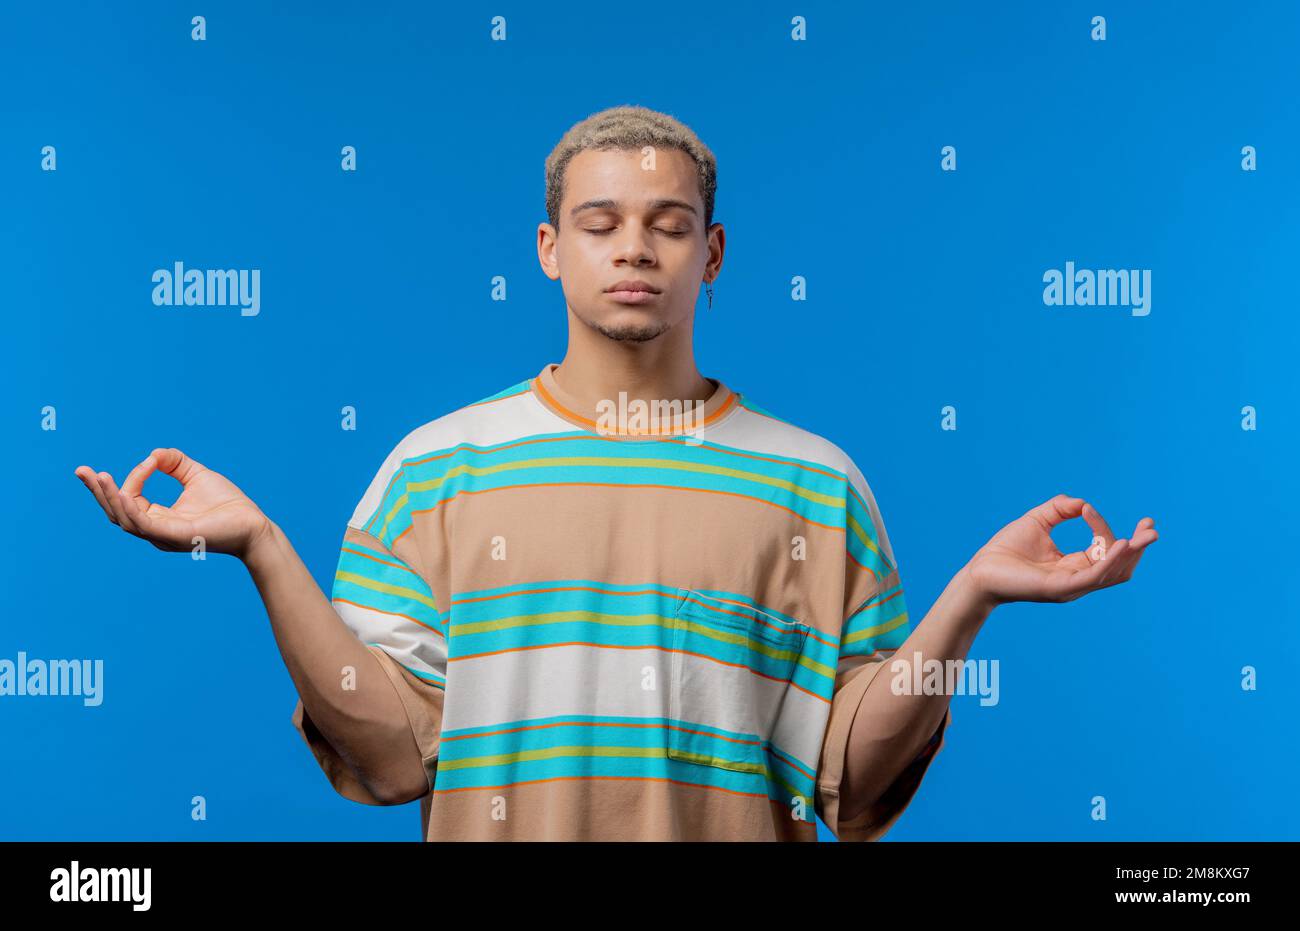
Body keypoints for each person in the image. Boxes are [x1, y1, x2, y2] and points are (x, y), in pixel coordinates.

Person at [73, 104, 1158, 841]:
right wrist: (262, 552)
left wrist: (969, 600)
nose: (633, 247)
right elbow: (397, 759)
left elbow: (851, 781)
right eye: (600, 223)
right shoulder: (435, 469)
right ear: (549, 247)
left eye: (667, 225)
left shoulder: (815, 487)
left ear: (712, 253)